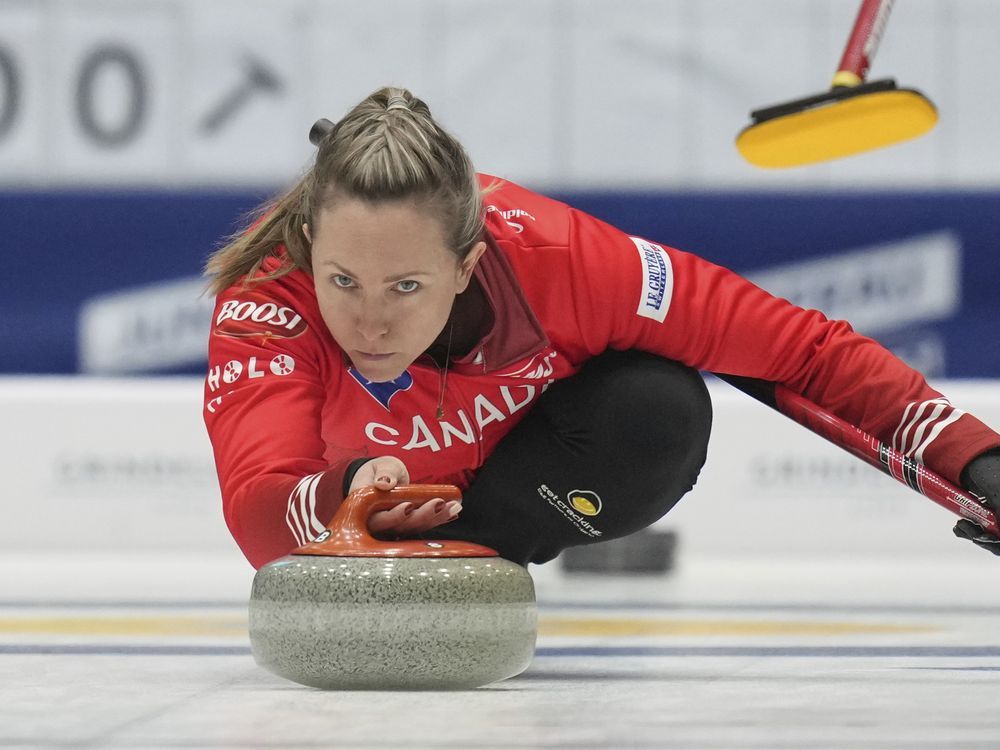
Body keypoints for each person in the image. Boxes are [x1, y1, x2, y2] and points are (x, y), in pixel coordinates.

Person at [203, 86, 1000, 570]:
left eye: (406, 285)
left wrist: (979, 461)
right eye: (342, 281)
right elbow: (256, 512)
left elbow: (801, 351)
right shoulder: (266, 297)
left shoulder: (567, 260)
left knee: (658, 406)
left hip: (513, 486)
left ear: (468, 262)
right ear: (310, 251)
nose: (369, 319)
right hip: (356, 499)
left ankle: (478, 548)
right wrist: (348, 500)